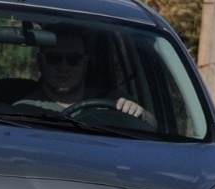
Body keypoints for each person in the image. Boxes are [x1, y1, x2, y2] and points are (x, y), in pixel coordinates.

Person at [14, 30, 151, 122]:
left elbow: (153, 125)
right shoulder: (22, 111)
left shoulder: (114, 101)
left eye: (73, 59)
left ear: (85, 63)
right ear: (40, 62)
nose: (63, 67)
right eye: (54, 58)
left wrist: (141, 113)